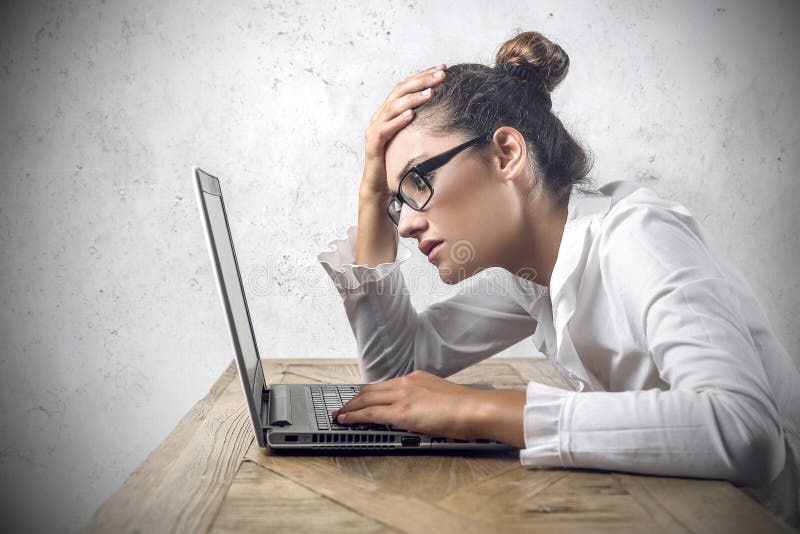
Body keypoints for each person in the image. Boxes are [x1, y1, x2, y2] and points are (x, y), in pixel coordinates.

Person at [316, 31, 800, 526]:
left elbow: (748, 431)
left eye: (420, 181)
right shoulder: (529, 275)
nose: (409, 221)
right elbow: (395, 377)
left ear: (506, 154)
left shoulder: (638, 237)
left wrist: (479, 411)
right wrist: (372, 192)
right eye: (398, 202)